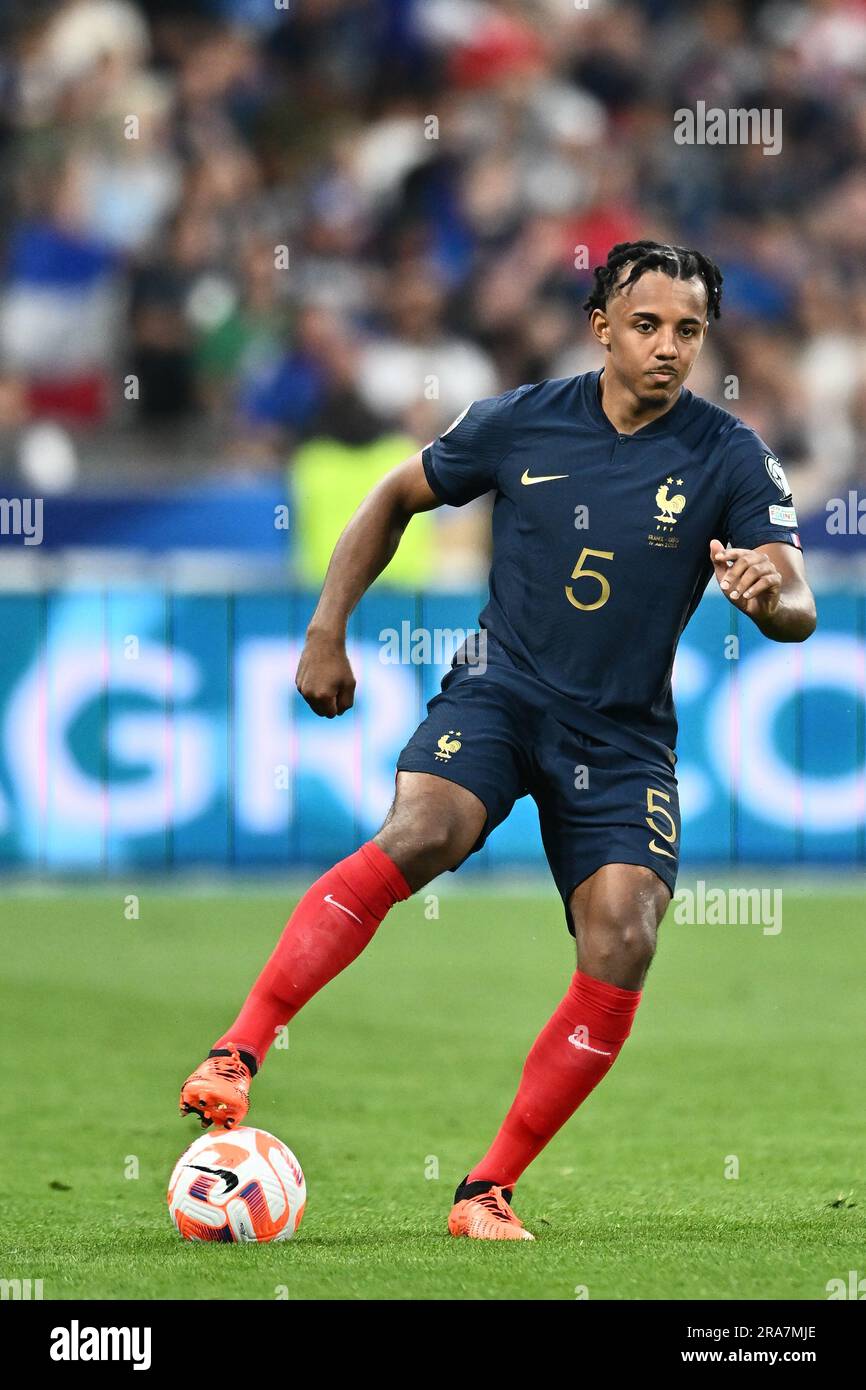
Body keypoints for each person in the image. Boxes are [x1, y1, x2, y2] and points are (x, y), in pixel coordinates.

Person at [179, 241, 816, 1241]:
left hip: (619, 736)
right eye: (645, 324)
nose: (666, 347)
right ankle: (239, 1048)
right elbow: (393, 495)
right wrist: (323, 629)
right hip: (500, 693)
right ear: (600, 325)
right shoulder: (521, 421)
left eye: (686, 330)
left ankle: (483, 1190)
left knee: (625, 935)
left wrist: (767, 593)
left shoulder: (726, 454)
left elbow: (796, 600)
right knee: (424, 828)